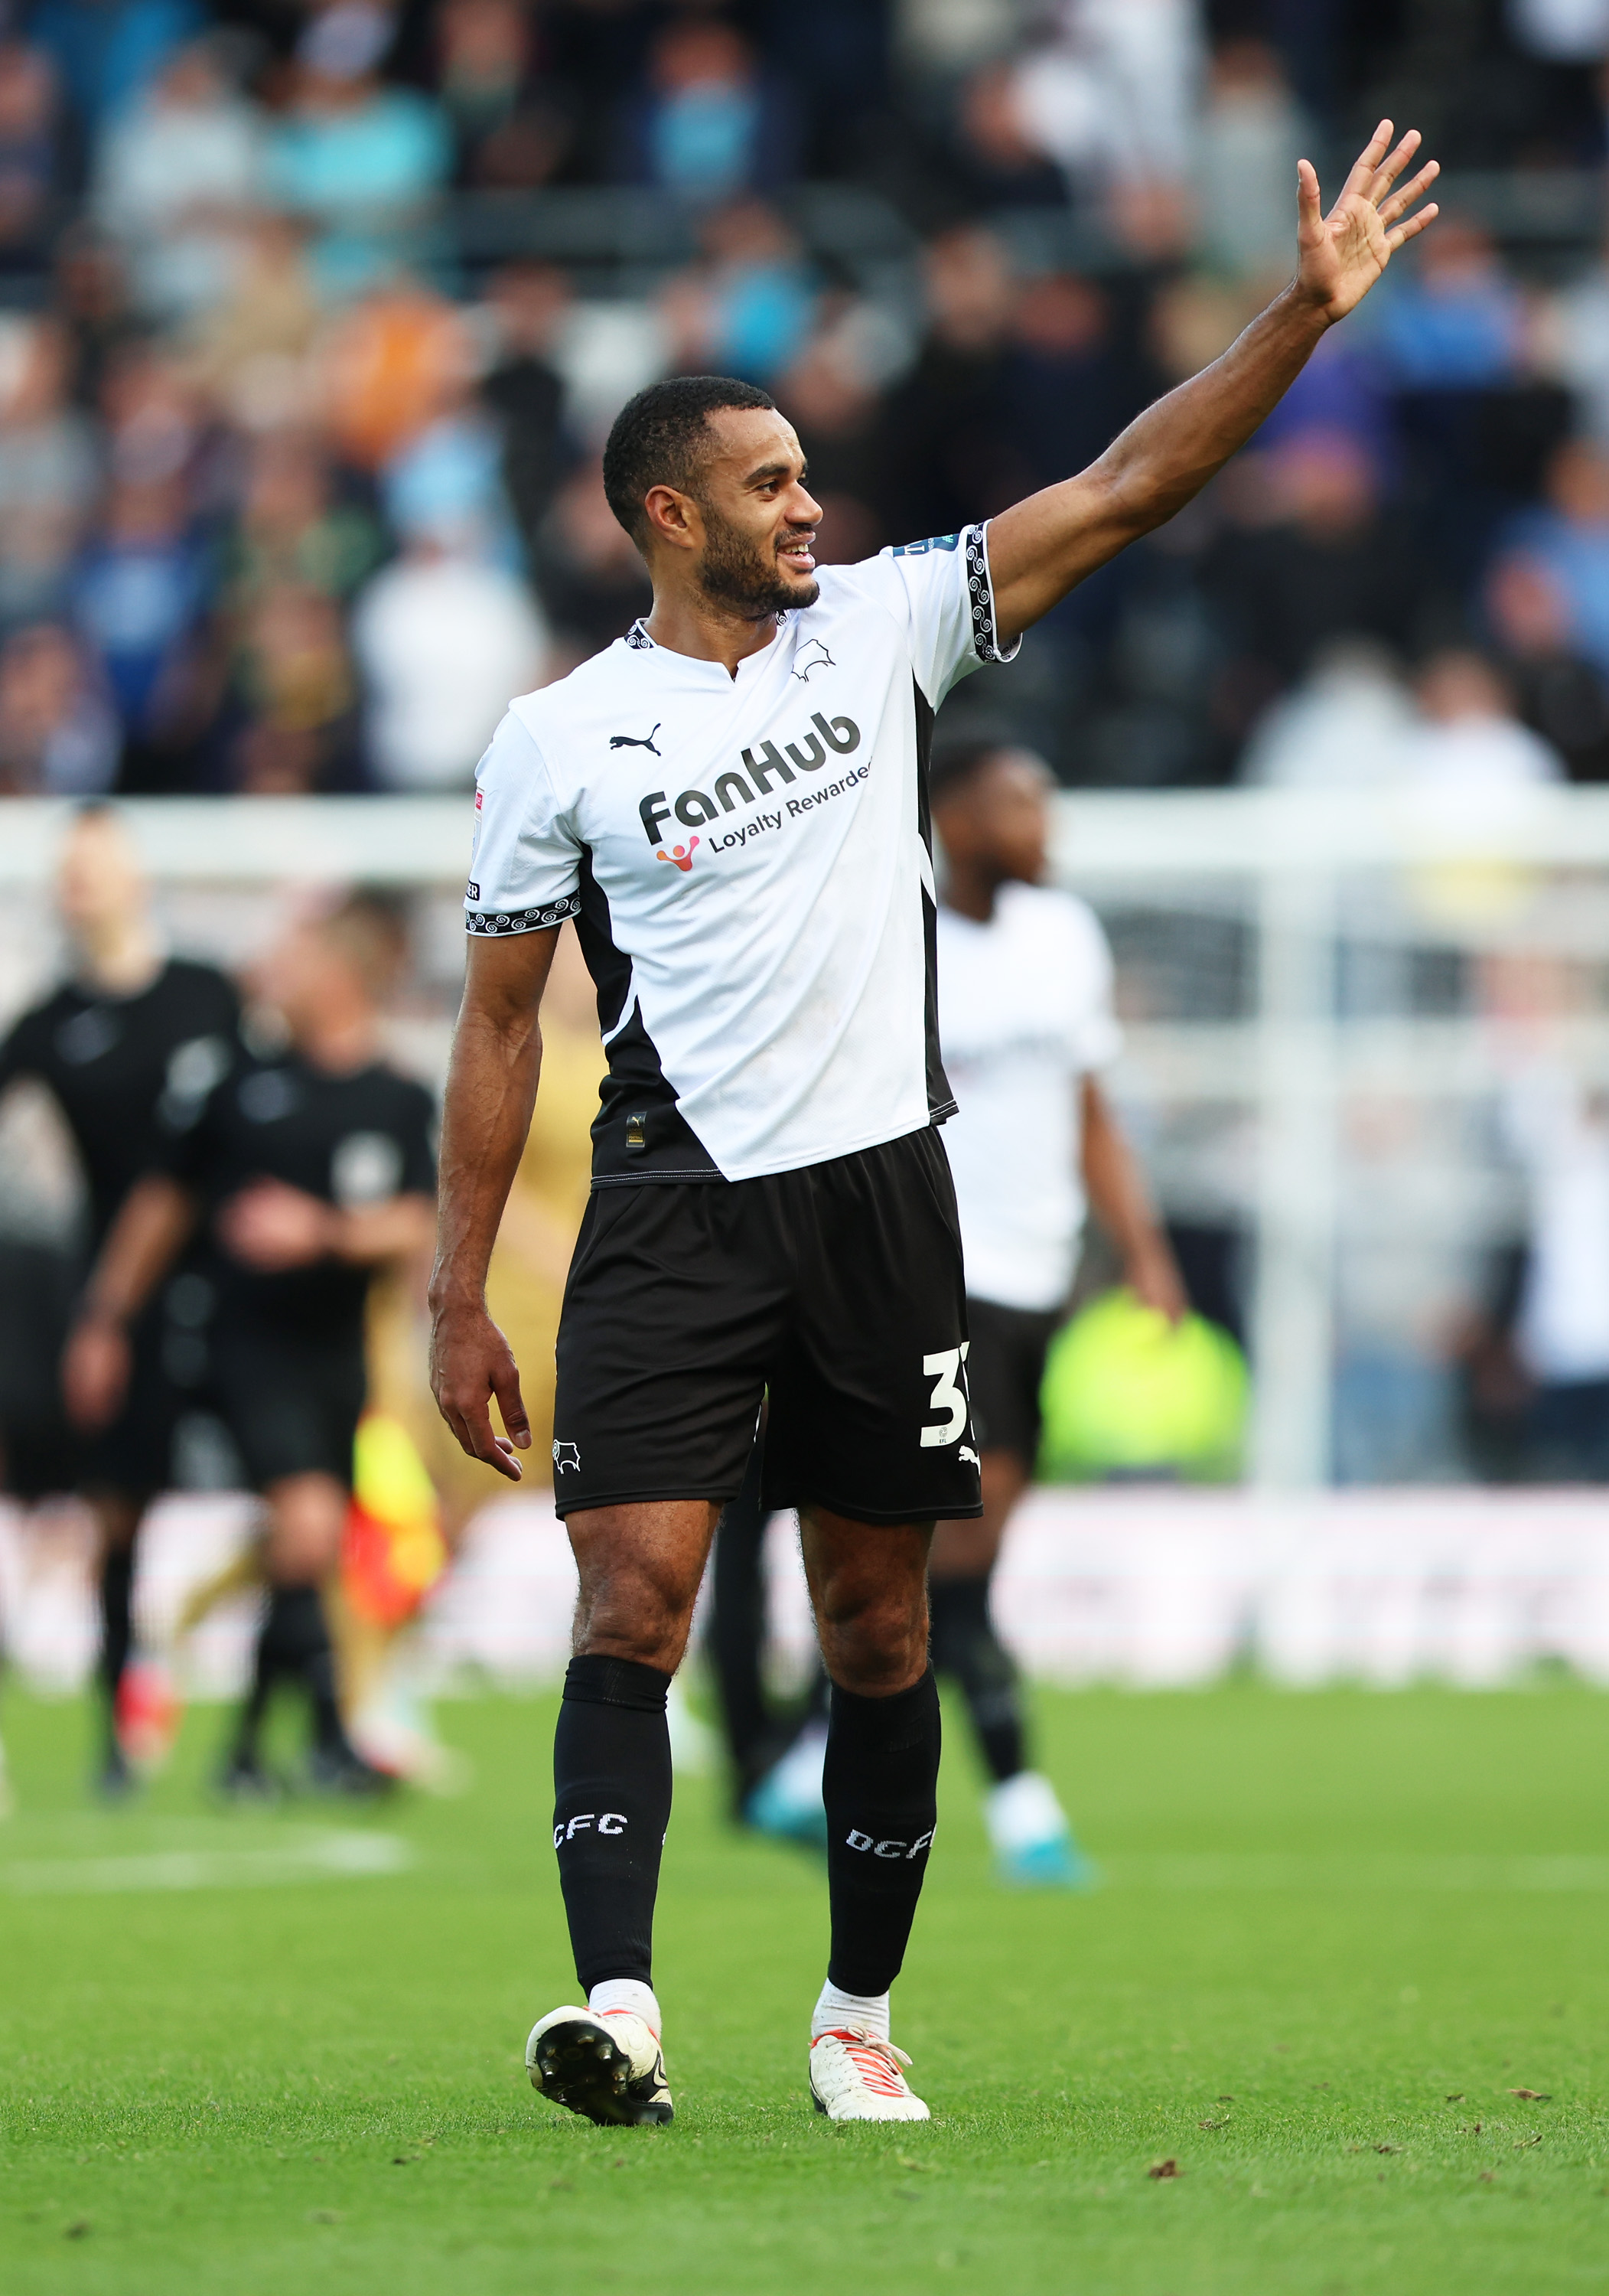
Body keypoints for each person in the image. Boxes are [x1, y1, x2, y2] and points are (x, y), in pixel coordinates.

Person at [427, 122, 1440, 2127]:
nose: (811, 507)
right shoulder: (553, 741)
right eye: (767, 484)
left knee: (876, 1622)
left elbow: (1132, 480)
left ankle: (852, 2018)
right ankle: (615, 2008)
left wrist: (1297, 317)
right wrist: (458, 1295)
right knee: (629, 1594)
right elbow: (493, 1027)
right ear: (663, 513)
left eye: (807, 476)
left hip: (885, 1211)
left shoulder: (885, 631)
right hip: (667, 1208)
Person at [63, 895, 438, 1797]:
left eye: (298, 961)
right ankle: (298, 1738)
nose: (277, 977)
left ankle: (255, 1751)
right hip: (242, 1346)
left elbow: (418, 1223)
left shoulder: (397, 1096)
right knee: (303, 1525)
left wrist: (324, 1232)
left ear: (342, 978)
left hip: (339, 1354)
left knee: (312, 1542)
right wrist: (106, 1317)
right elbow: (165, 1203)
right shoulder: (241, 1088)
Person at [929, 735, 1185, 1883]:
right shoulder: (901, 937)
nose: (1045, 828)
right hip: (934, 1277)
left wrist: (1142, 1251)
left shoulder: (1063, 937)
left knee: (962, 1562)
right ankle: (1021, 1799)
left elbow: (1090, 1109)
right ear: (955, 818)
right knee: (961, 1552)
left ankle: (798, 1750)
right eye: (1019, 804)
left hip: (1038, 1281)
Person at [0, 804, 240, 1795]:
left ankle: (302, 1716)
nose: (80, 883)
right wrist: (98, 1313)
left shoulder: (205, 996)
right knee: (117, 1509)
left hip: (231, 1284)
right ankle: (118, 1725)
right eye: (70, 868)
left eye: (96, 864)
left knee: (303, 1486)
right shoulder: (52, 1024)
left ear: (136, 877)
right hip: (112, 1296)